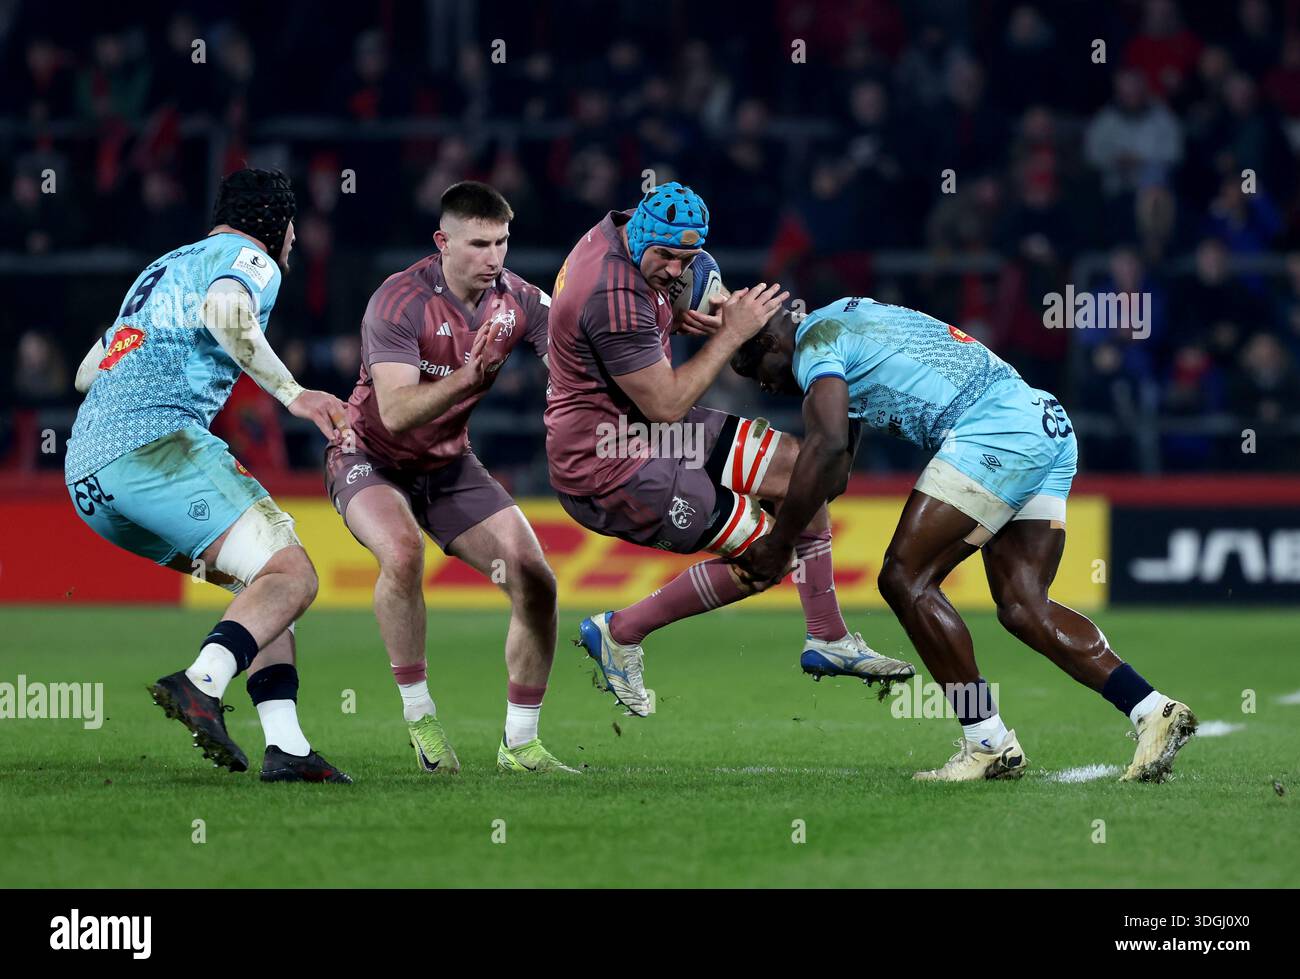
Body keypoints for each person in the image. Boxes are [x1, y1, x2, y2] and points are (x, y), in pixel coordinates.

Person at [728, 295, 1197, 782]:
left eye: (757, 369)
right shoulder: (840, 319)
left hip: (992, 432)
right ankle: (1153, 709)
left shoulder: (814, 346)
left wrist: (778, 544)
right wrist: (787, 502)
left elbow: (825, 447)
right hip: (1041, 421)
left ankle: (987, 742)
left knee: (904, 578)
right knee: (1024, 606)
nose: (763, 384)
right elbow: (836, 469)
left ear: (770, 340)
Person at [544, 182, 913, 717]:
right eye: (666, 257)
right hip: (607, 462)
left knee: (797, 468)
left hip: (642, 429)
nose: (676, 270)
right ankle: (620, 631)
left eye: (685, 257)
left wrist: (679, 312)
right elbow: (667, 403)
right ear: (643, 236)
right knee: (770, 553)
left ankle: (828, 637)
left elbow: (682, 288)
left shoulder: (627, 229)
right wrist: (728, 334)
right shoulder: (610, 294)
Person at [65, 167, 351, 783]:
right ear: (275, 226)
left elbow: (89, 371)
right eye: (292, 226)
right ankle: (201, 684)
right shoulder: (249, 258)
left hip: (88, 475)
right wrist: (295, 395)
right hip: (154, 446)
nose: (295, 239)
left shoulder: (161, 268)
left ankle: (287, 746)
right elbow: (227, 307)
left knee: (265, 589)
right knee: (293, 575)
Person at [325, 181, 576, 774]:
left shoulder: (520, 301)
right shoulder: (397, 301)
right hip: (369, 455)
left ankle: (521, 745)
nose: (494, 258)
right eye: (479, 244)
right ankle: (422, 720)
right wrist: (470, 376)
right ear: (442, 242)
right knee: (404, 553)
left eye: (503, 243)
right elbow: (396, 411)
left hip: (448, 464)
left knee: (536, 581)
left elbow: (577, 353)